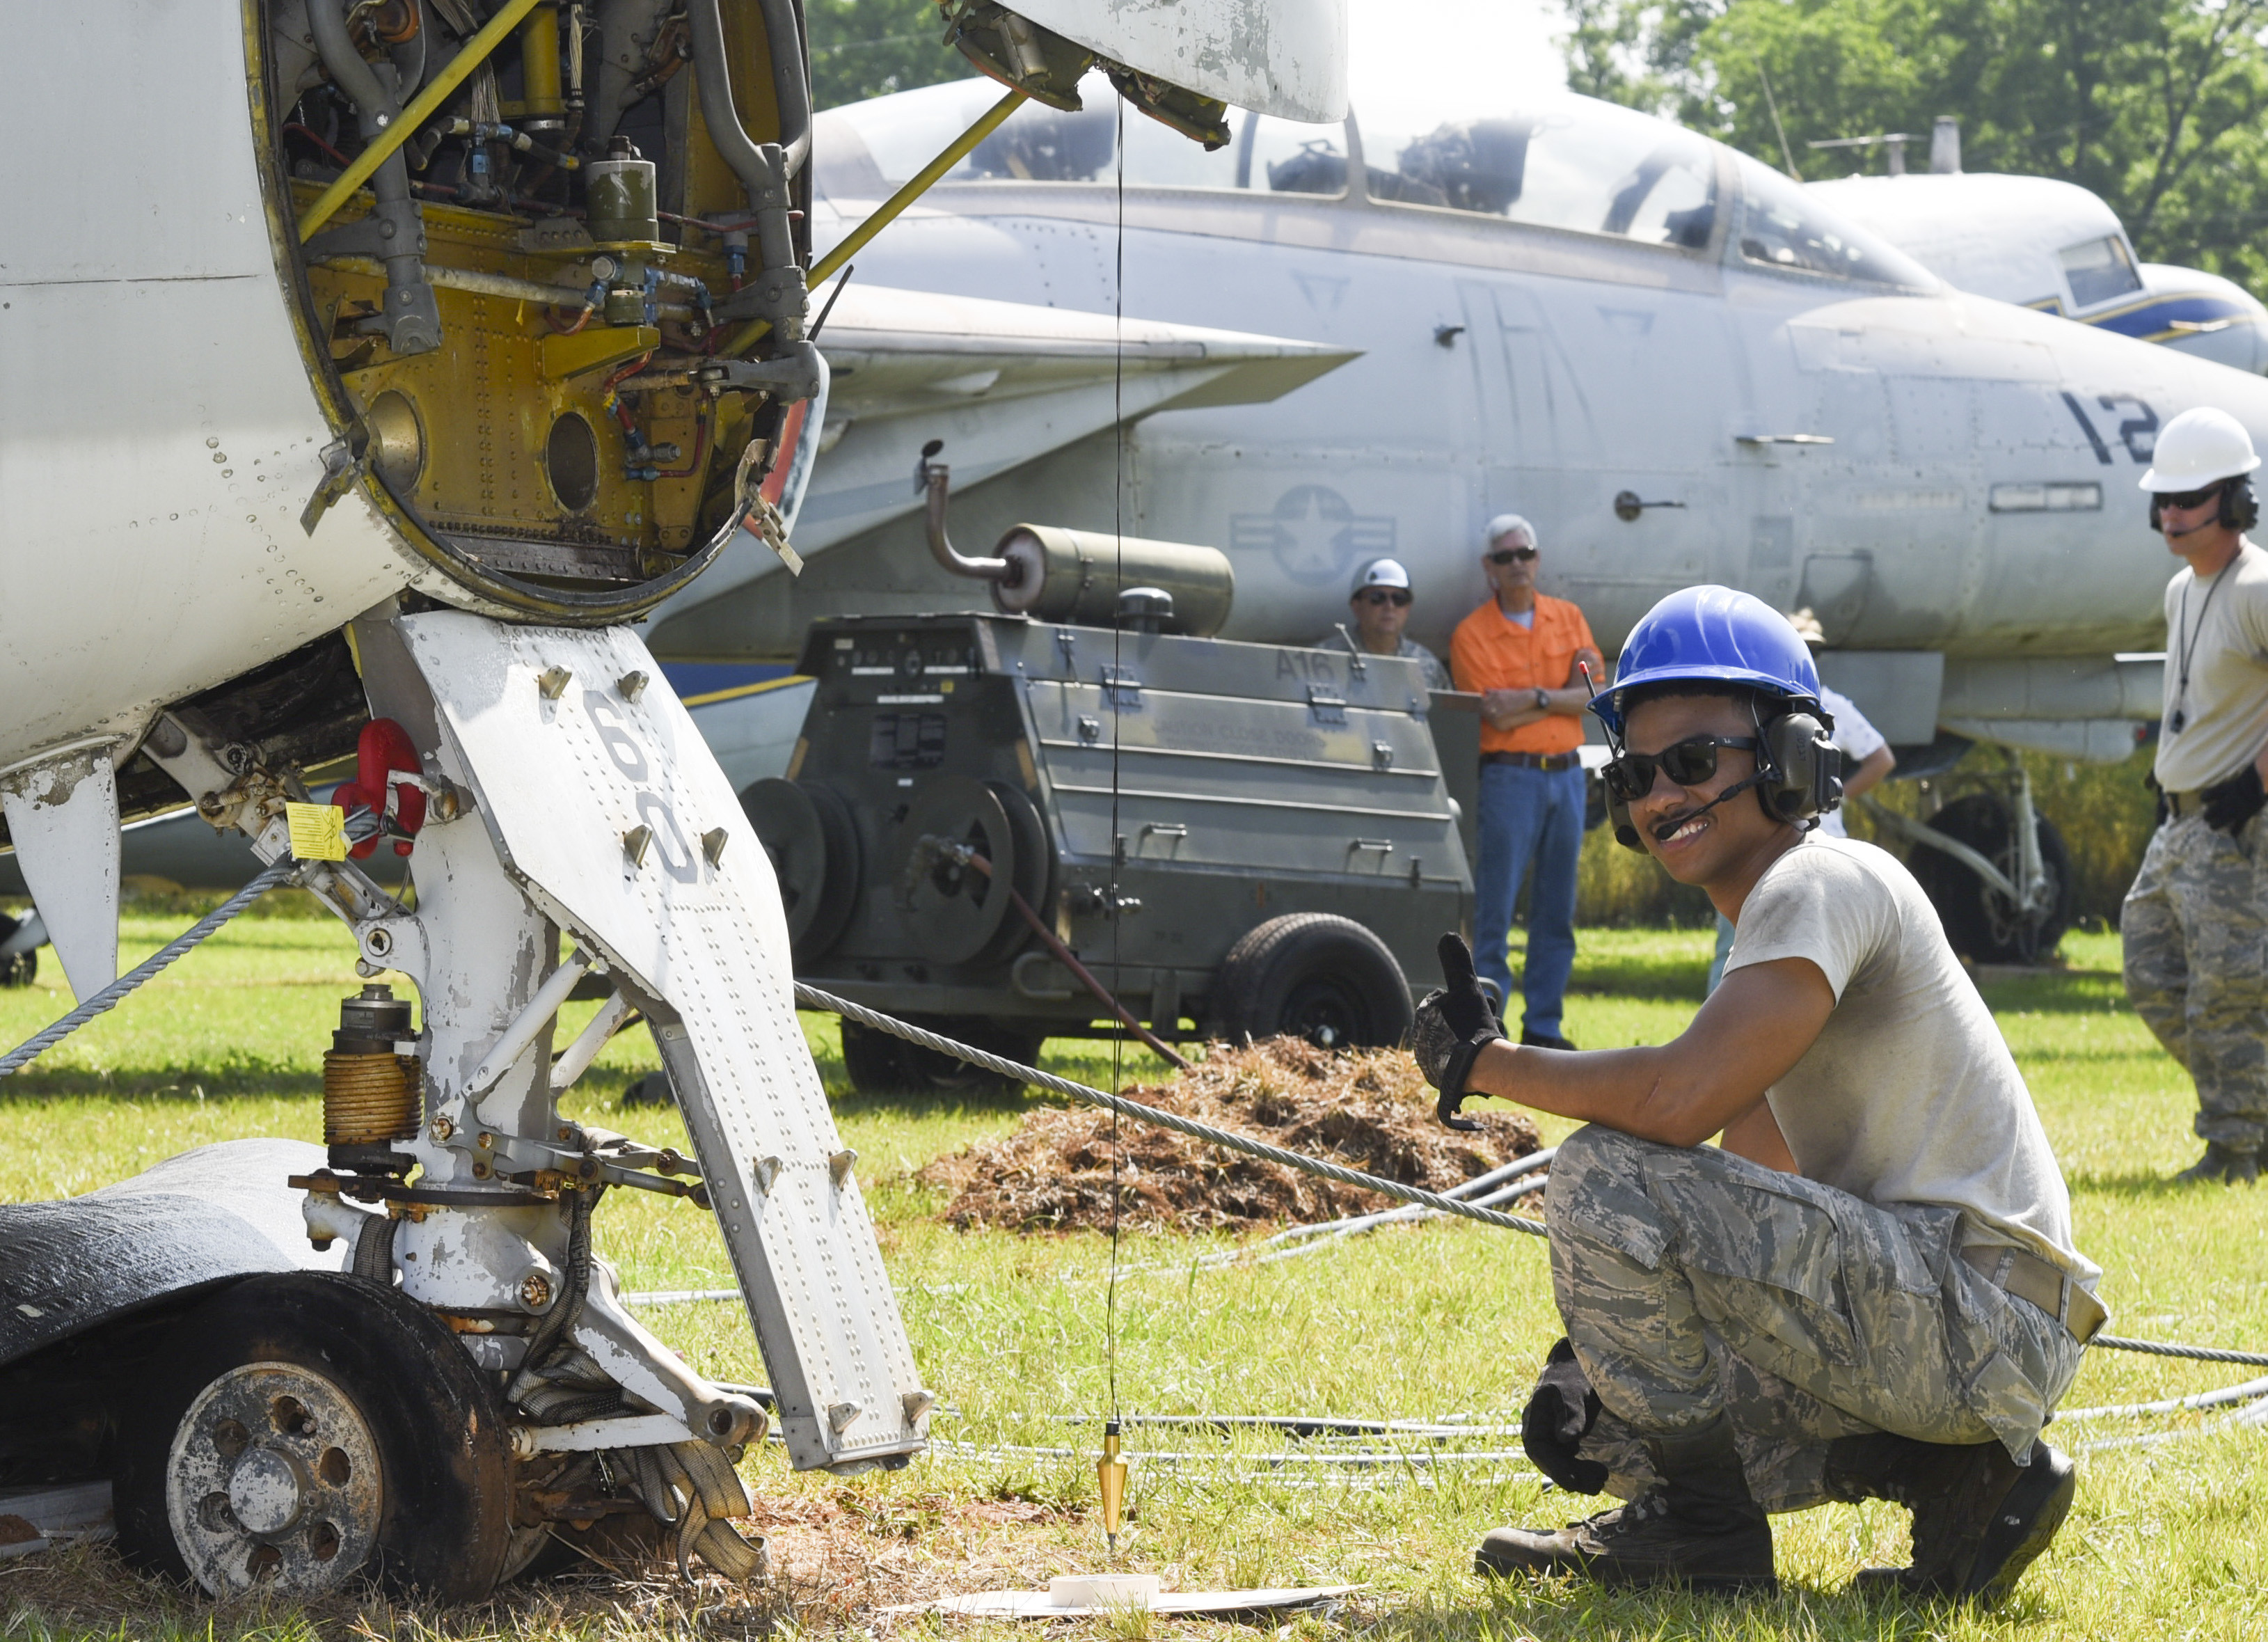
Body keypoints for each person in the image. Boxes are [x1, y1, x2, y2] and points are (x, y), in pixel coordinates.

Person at [1411, 585, 2102, 1604]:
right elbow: (1748, 1164)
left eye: (1691, 761)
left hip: (1973, 1314)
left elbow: (1674, 1099)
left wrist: (1483, 1062)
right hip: (1960, 1324)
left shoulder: (1815, 882)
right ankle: (1961, 1477)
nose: (1658, 796)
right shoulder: (1780, 926)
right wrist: (1611, 1335)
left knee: (1600, 1171)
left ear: (1785, 756)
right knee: (1604, 1422)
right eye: (1637, 773)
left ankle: (1705, 1538)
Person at [2120, 405, 2268, 1185]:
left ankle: (2238, 1147)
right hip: (2181, 820)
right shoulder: (2183, 589)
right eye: (2163, 501)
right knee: (2150, 971)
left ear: (2235, 503)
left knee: (2226, 990)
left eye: (2189, 499)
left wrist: (2252, 782)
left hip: (2236, 822)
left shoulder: (2258, 586)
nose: (2170, 515)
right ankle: (2252, 1104)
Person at [1449, 515, 1603, 1049]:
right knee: (1494, 912)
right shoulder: (1470, 634)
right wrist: (1559, 692)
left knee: (1556, 912)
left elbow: (1593, 698)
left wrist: (1533, 699)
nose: (1516, 564)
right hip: (1508, 781)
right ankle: (1487, 1024)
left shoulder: (1569, 617)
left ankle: (1544, 1026)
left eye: (1524, 553)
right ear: (1489, 568)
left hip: (1567, 777)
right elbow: (1493, 717)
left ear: (1536, 560)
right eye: (1504, 556)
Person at [1705, 608, 1896, 992]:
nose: (1805, 656)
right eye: (1797, 647)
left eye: (1811, 650)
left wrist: (1835, 796)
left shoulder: (1830, 706)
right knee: (1737, 943)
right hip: (1757, 849)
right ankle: (1721, 1028)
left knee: (1821, 947)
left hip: (1818, 846)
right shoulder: (1751, 709)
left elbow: (1881, 759)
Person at [1315, 558, 1450, 689]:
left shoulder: (1426, 664)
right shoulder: (1325, 659)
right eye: (1377, 598)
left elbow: (1443, 712)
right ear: (1357, 606)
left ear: (1408, 608)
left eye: (1399, 599)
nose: (1390, 606)